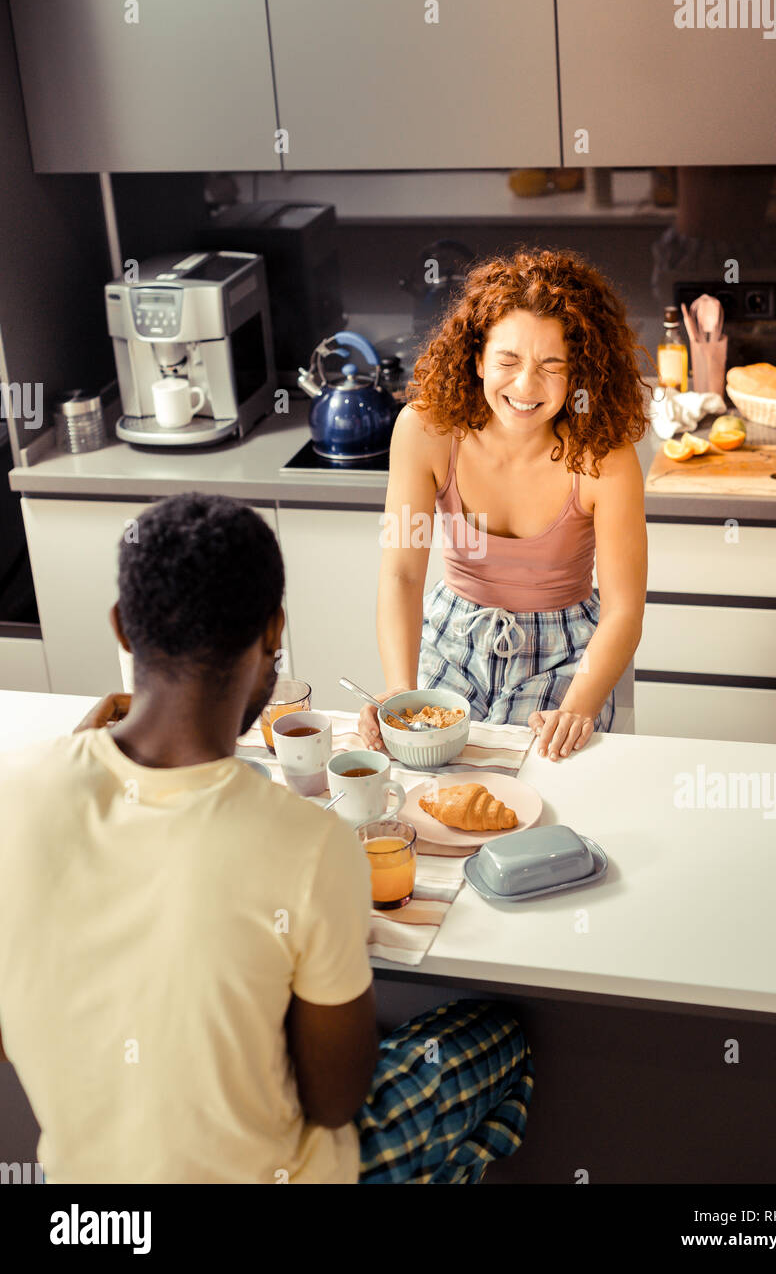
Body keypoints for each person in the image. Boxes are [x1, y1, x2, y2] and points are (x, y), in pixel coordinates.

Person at [0, 492, 532, 1183]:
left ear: (122, 630)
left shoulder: (15, 793)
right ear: (275, 633)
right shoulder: (312, 844)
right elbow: (335, 1103)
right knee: (499, 1037)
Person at [361, 248, 648, 762]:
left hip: (567, 653)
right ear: (476, 357)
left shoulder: (605, 455)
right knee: (428, 778)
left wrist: (577, 707)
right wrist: (399, 691)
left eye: (550, 366)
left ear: (578, 372)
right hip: (452, 637)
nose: (525, 386)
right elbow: (402, 574)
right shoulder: (425, 430)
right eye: (507, 361)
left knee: (539, 786)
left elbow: (624, 609)